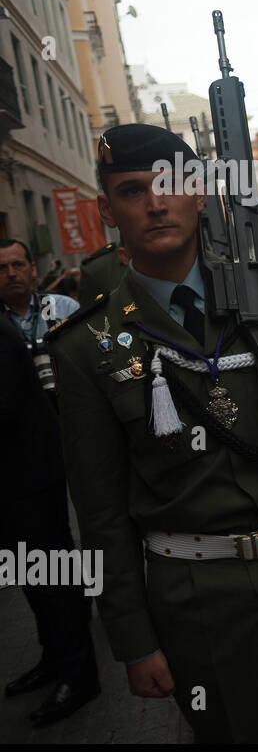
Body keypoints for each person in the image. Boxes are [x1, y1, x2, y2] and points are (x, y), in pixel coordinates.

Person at [46, 123, 258, 743]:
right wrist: (132, 640)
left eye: (171, 185)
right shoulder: (89, 346)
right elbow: (99, 512)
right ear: (107, 211)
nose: (156, 203)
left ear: (202, 191)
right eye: (132, 191)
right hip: (196, 588)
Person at [1, 272, 99, 728]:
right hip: (15, 475)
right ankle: (53, 658)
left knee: (53, 574)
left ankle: (78, 675)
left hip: (29, 470)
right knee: (29, 574)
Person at [2, 239, 79, 340]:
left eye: (18, 265)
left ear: (33, 269)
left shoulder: (66, 308)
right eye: (2, 268)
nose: (11, 274)